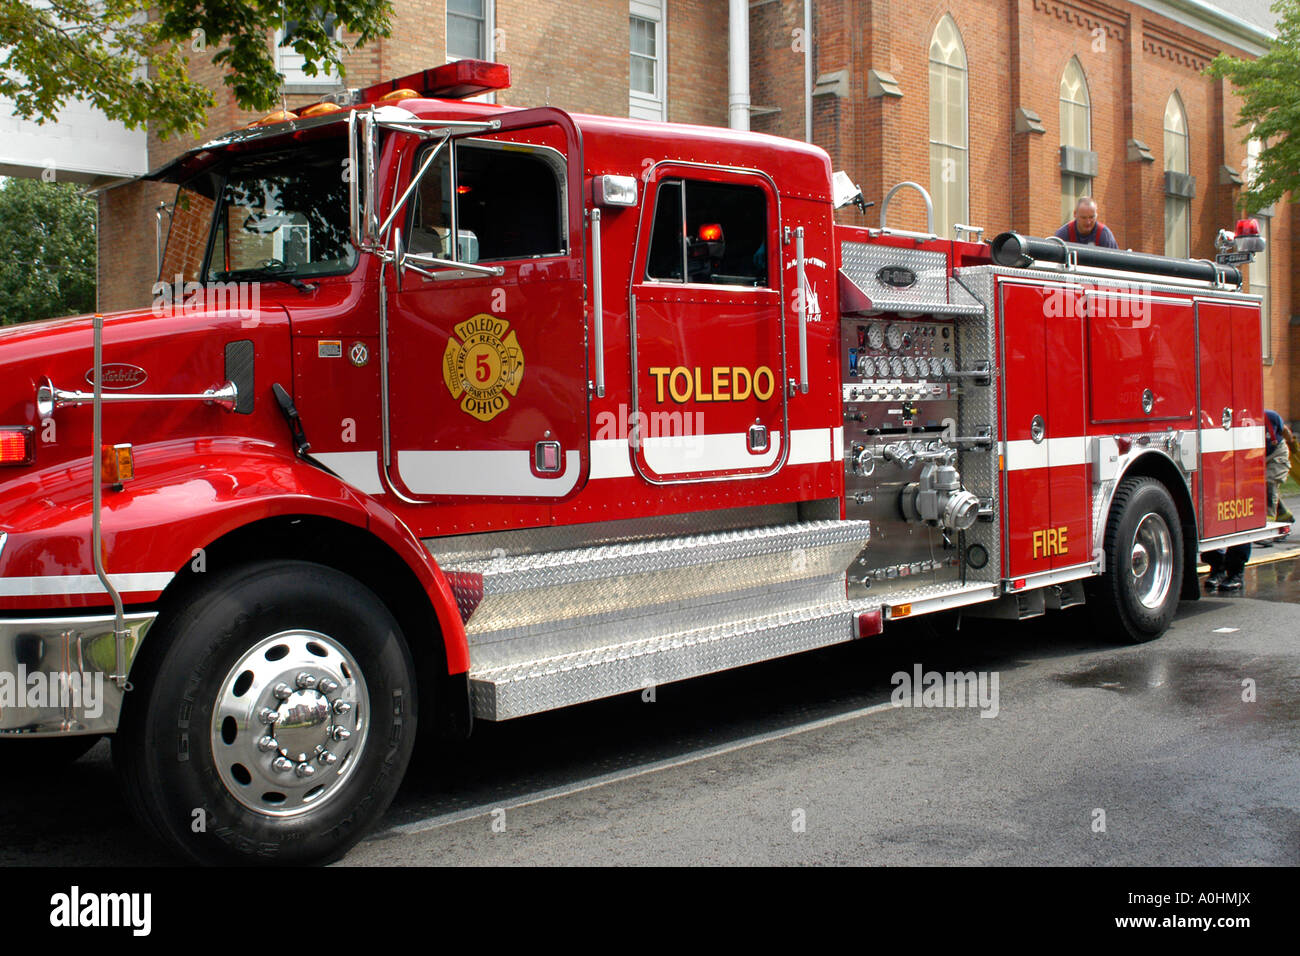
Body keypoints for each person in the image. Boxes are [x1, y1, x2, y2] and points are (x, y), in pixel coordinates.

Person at [1264, 409, 1294, 522]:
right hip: (1258, 455)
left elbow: (1285, 430)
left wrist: (1292, 444)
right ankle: (1283, 514)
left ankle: (1269, 519)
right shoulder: (1243, 420)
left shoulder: (1271, 416)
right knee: (1258, 487)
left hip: (1277, 452)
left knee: (1270, 481)